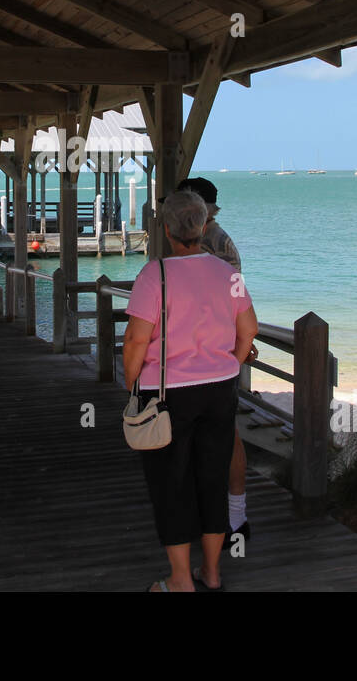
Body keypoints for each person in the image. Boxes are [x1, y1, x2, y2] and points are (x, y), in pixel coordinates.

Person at [124, 190, 257, 592]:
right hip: (218, 390)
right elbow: (248, 329)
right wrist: (229, 363)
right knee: (212, 479)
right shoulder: (228, 274)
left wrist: (132, 386)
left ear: (166, 229)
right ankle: (212, 573)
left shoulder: (154, 276)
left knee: (171, 484)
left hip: (167, 394)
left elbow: (135, 341)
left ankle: (181, 579)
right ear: (202, 226)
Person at [177, 176, 252, 548]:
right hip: (217, 359)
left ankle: (229, 519)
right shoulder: (218, 241)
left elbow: (231, 310)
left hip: (206, 360)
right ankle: (230, 518)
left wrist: (234, 358)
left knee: (219, 438)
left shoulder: (209, 244)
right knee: (221, 436)